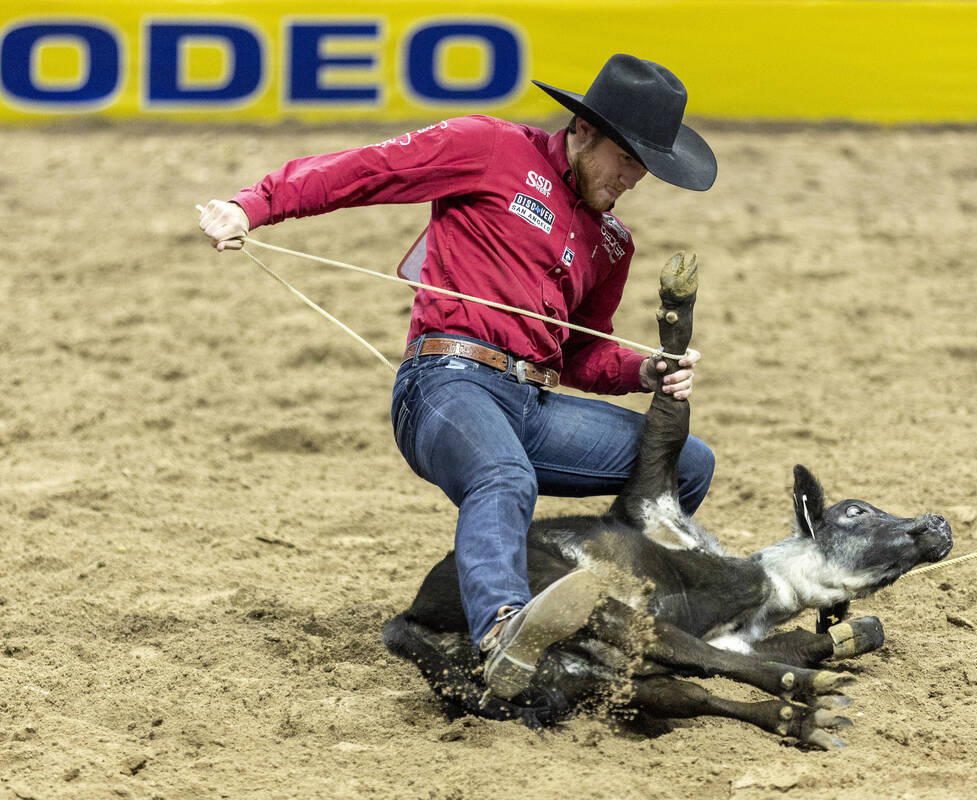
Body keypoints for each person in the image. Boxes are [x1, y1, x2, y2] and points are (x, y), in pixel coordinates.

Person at [199, 54, 718, 699]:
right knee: (504, 475)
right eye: (628, 159)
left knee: (689, 465)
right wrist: (252, 205)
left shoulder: (613, 244)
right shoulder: (490, 147)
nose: (634, 178)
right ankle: (502, 631)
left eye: (644, 167)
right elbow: (365, 171)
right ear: (584, 131)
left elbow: (580, 352)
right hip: (444, 383)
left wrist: (642, 369)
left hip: (532, 403)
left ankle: (623, 614)